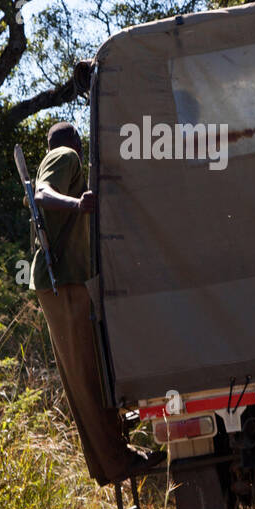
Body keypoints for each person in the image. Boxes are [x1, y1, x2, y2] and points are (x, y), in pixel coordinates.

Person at [30, 122, 164, 485]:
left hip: (72, 282)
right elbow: (41, 192)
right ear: (73, 142)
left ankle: (118, 449)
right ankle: (116, 462)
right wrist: (79, 203)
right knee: (86, 378)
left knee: (93, 368)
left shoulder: (67, 159)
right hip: (63, 282)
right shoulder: (65, 156)